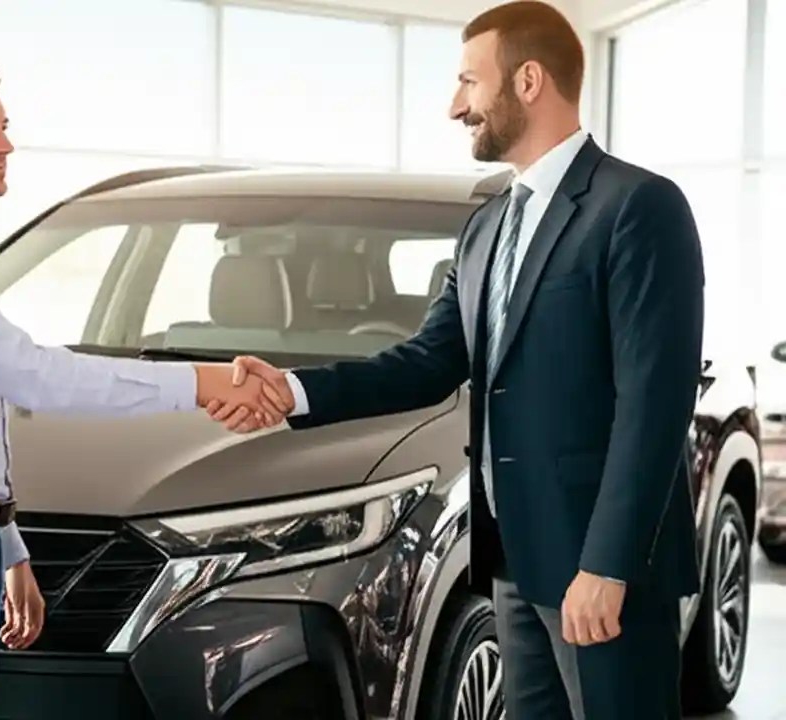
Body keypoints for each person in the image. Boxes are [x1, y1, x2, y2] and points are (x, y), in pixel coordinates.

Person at [210, 2, 704, 718]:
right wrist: (292, 390)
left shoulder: (638, 207)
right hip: (515, 563)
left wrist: (608, 565)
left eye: (470, 82)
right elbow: (429, 360)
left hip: (603, 571)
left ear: (528, 80)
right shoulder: (486, 227)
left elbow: (654, 405)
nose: (454, 106)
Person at [0, 60, 284, 720]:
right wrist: (204, 382)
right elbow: (30, 374)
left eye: (3, 127)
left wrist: (6, 544)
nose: (5, 144)